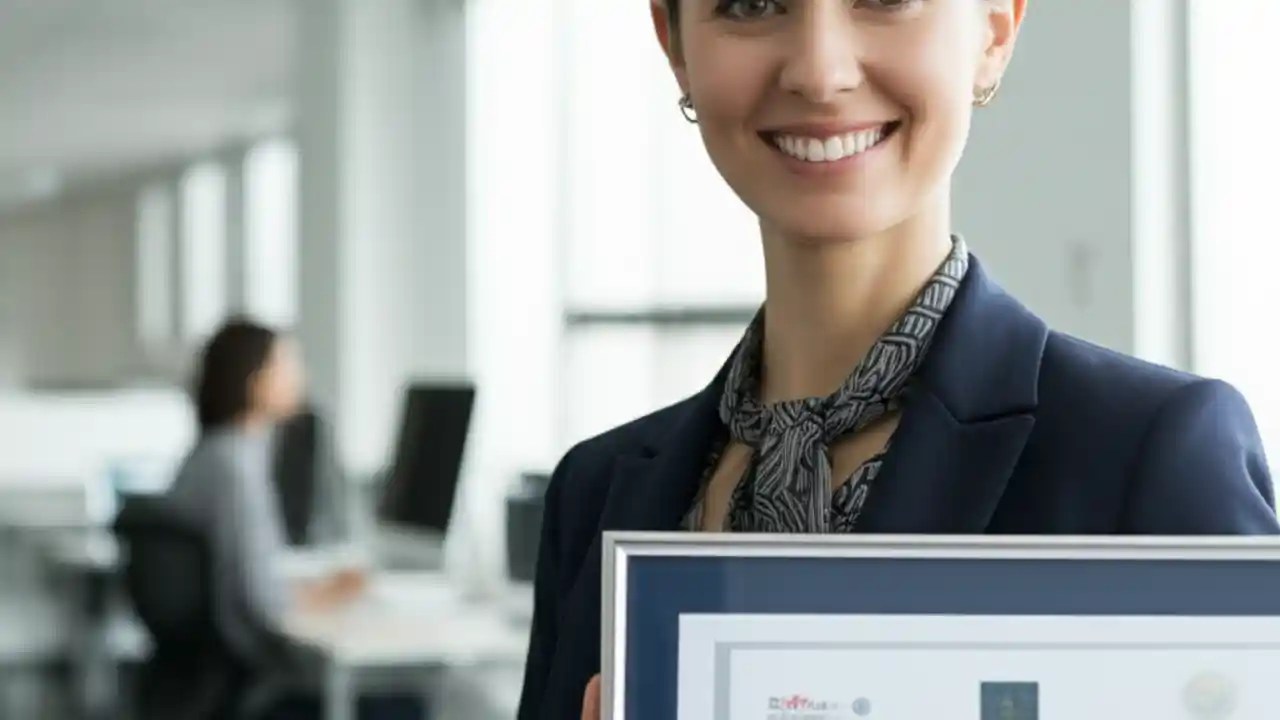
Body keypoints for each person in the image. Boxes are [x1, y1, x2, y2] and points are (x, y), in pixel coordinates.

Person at [515, 1, 1280, 718]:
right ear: (674, 43)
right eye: (751, 3)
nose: (819, 71)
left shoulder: (1152, 453)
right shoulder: (598, 491)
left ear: (994, 27)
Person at [165, 319, 365, 678]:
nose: (300, 377)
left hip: (212, 664)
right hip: (252, 667)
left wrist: (310, 590)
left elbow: (246, 576)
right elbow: (261, 602)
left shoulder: (213, 454)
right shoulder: (235, 469)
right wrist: (327, 595)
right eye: (288, 364)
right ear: (255, 380)